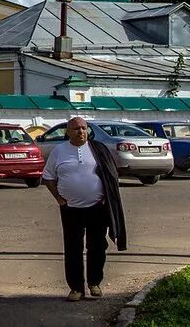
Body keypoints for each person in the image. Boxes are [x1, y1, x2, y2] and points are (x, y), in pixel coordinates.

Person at [42, 117, 128, 302]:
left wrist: (108, 198)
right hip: (70, 209)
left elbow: (111, 174)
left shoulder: (98, 149)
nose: (80, 132)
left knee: (97, 246)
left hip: (97, 208)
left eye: (83, 128)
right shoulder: (59, 151)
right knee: (73, 248)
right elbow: (48, 177)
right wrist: (58, 198)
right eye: (76, 129)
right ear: (67, 132)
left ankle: (94, 283)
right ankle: (76, 288)